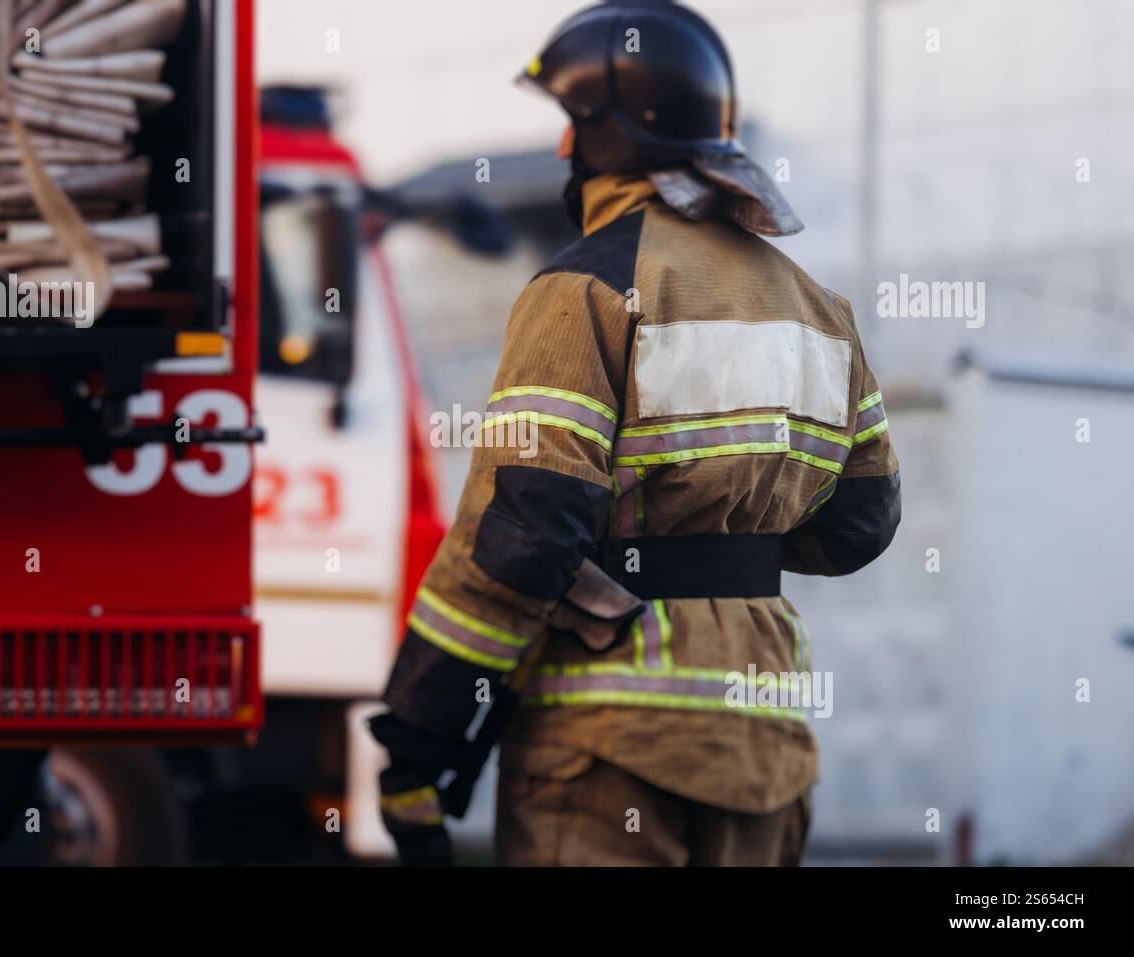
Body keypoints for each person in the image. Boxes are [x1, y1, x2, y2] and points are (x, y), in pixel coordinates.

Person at [370, 0, 901, 867]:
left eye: (568, 126)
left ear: (609, 135)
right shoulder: (820, 310)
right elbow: (860, 526)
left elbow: (522, 534)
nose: (558, 152)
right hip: (765, 740)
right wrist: (722, 548)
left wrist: (418, 735)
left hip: (610, 744)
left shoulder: (584, 286)